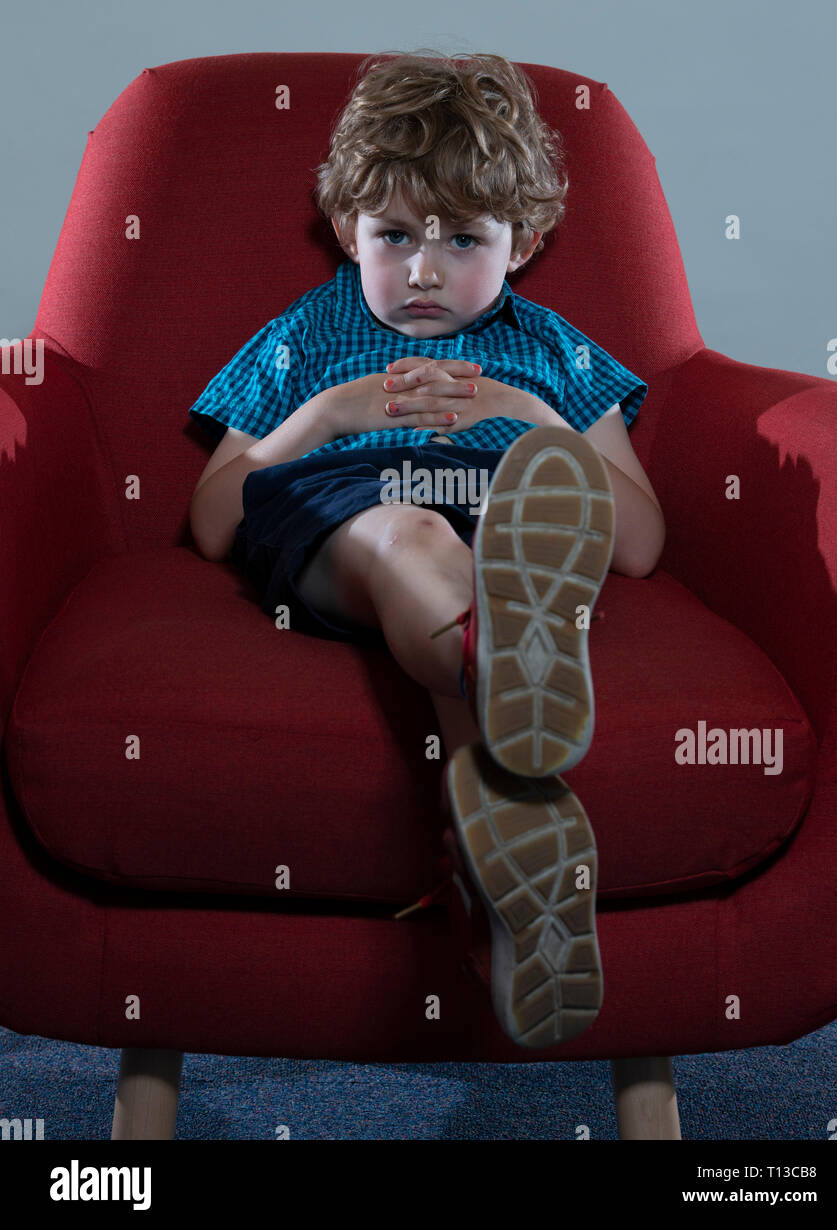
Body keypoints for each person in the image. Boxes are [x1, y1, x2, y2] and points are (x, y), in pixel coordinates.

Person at [187, 51, 665, 1050]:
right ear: (345, 232)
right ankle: (513, 666)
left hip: (503, 514)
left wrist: (535, 415)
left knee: (474, 541)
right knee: (412, 529)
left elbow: (641, 543)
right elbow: (214, 516)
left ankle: (497, 882)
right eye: (394, 236)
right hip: (343, 506)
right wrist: (326, 414)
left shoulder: (549, 350)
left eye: (462, 239)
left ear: (524, 242)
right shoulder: (308, 333)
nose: (423, 270)